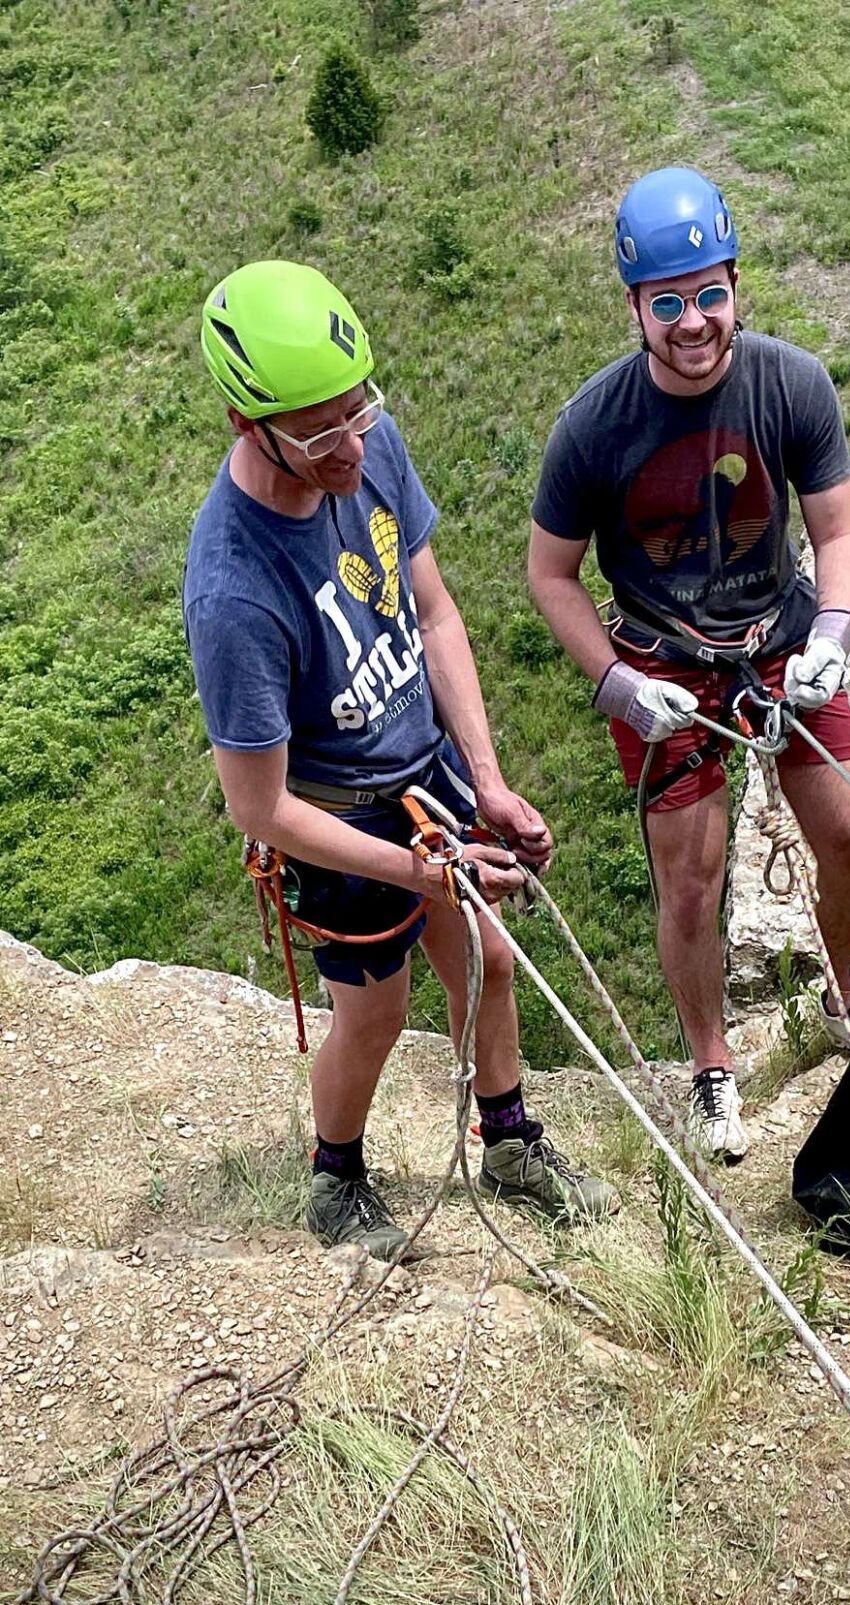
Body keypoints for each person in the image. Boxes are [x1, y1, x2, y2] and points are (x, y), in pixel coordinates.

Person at [185, 259, 617, 1259]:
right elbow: (258, 809)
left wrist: (489, 780)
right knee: (375, 1012)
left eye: (358, 407)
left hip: (421, 766)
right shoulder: (236, 592)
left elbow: (429, 611)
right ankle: (336, 1180)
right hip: (334, 815)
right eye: (320, 429)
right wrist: (419, 868)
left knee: (488, 962)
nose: (352, 441)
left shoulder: (366, 453)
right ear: (249, 427)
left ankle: (508, 1144)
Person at [528, 168, 850, 1164]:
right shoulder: (594, 425)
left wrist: (831, 639)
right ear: (636, 307)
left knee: (849, 840)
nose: (692, 322)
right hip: (658, 661)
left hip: (777, 637)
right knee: (690, 880)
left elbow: (838, 533)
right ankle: (710, 1066)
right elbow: (549, 574)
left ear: (735, 287)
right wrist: (616, 683)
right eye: (668, 303)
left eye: (708, 295)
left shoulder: (790, 384)